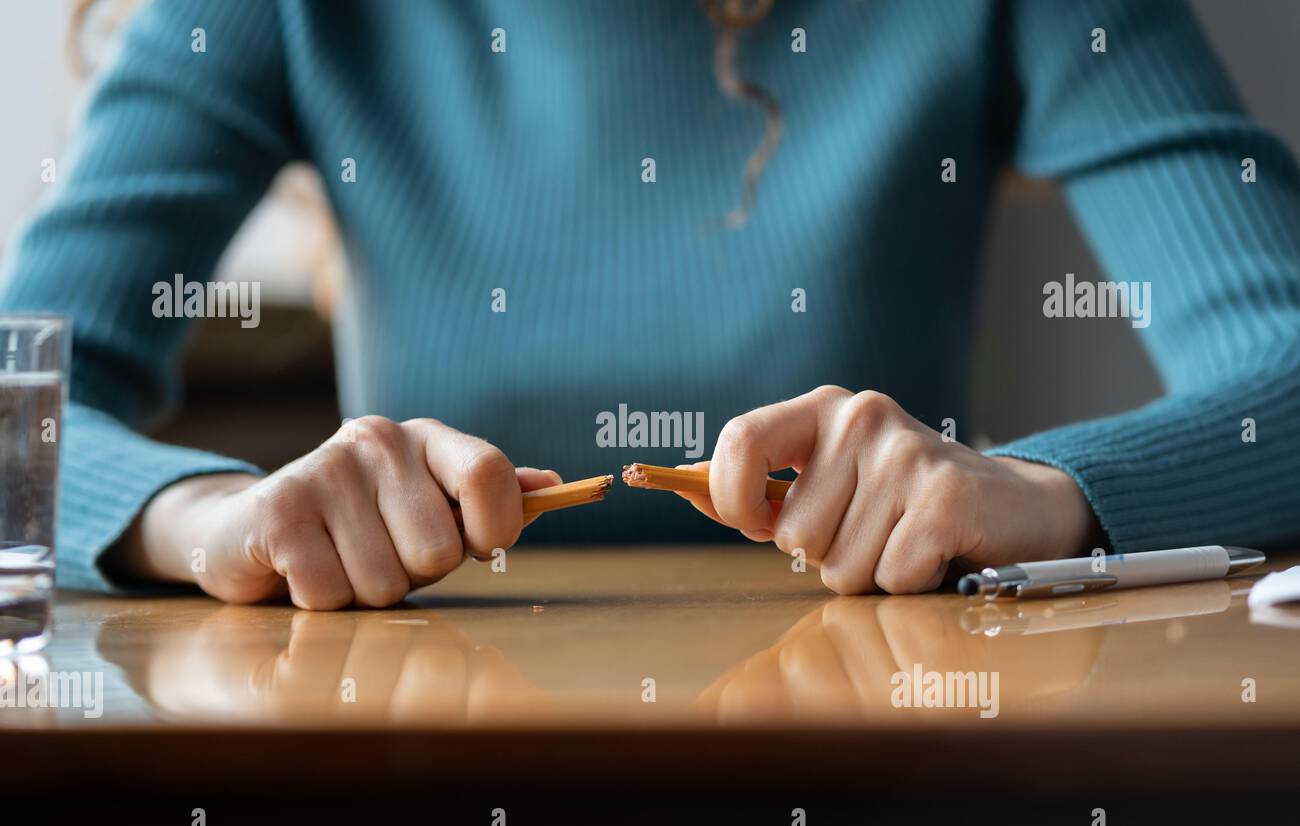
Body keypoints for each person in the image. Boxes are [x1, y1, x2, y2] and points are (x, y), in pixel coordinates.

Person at [2, 0, 1298, 609]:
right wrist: (216, 521)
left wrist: (1040, 492)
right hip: (404, 803)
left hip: (894, 795)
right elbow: (18, 412)